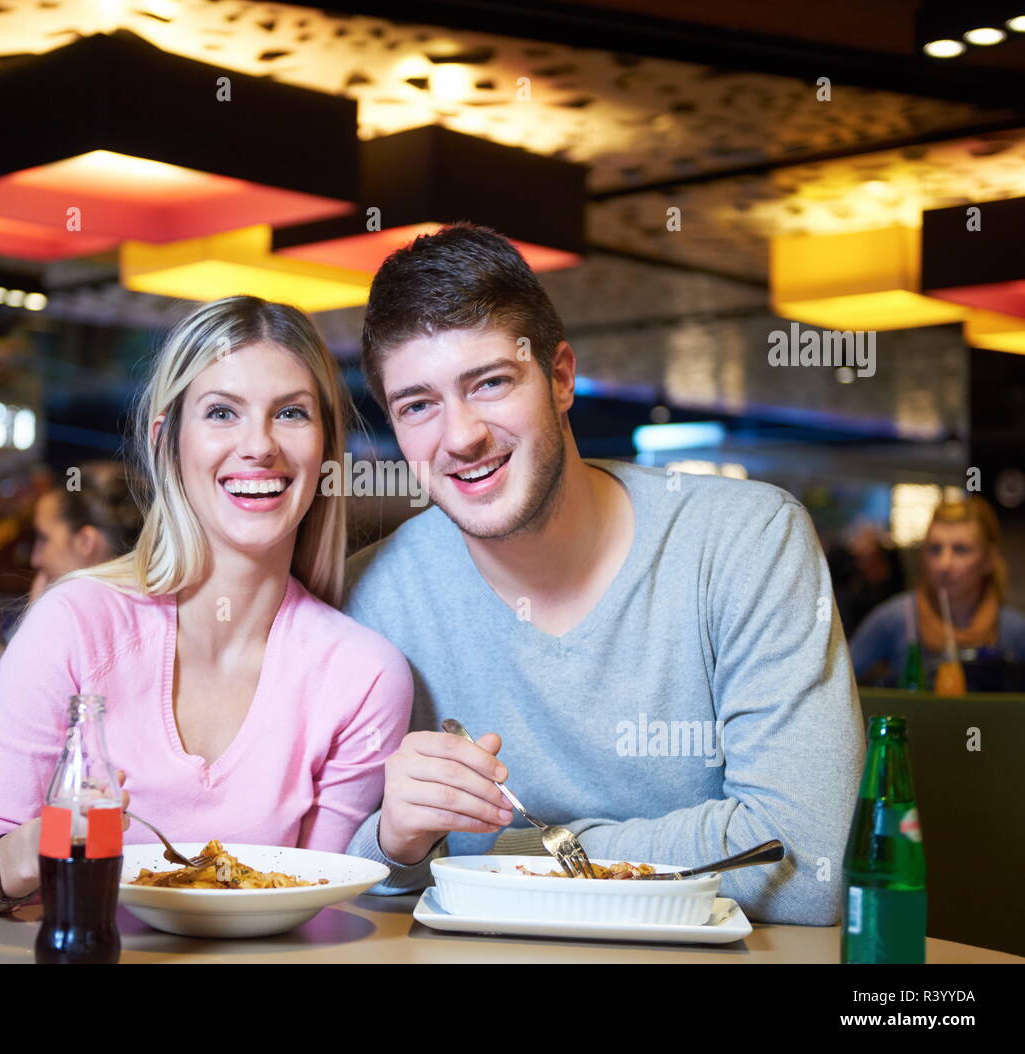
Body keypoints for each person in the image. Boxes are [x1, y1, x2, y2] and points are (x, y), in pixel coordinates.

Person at [341, 223, 864, 926]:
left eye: (490, 383)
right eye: (418, 405)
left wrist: (516, 850)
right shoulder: (374, 594)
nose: (460, 436)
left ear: (559, 378)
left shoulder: (745, 541)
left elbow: (805, 864)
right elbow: (342, 874)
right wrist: (398, 843)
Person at [0, 296, 413, 923]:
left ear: (325, 452)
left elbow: (324, 915)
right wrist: (15, 860)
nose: (258, 445)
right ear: (166, 441)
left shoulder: (363, 675)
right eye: (222, 412)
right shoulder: (76, 625)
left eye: (290, 414)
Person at [850, 496, 1025, 688]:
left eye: (961, 550)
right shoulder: (896, 619)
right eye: (935, 549)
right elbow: (834, 679)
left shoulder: (1015, 631)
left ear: (988, 560)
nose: (944, 564)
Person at [27, 463, 143, 603]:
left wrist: (41, 613)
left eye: (44, 539)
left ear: (85, 542)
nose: (35, 560)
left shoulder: (66, 618)